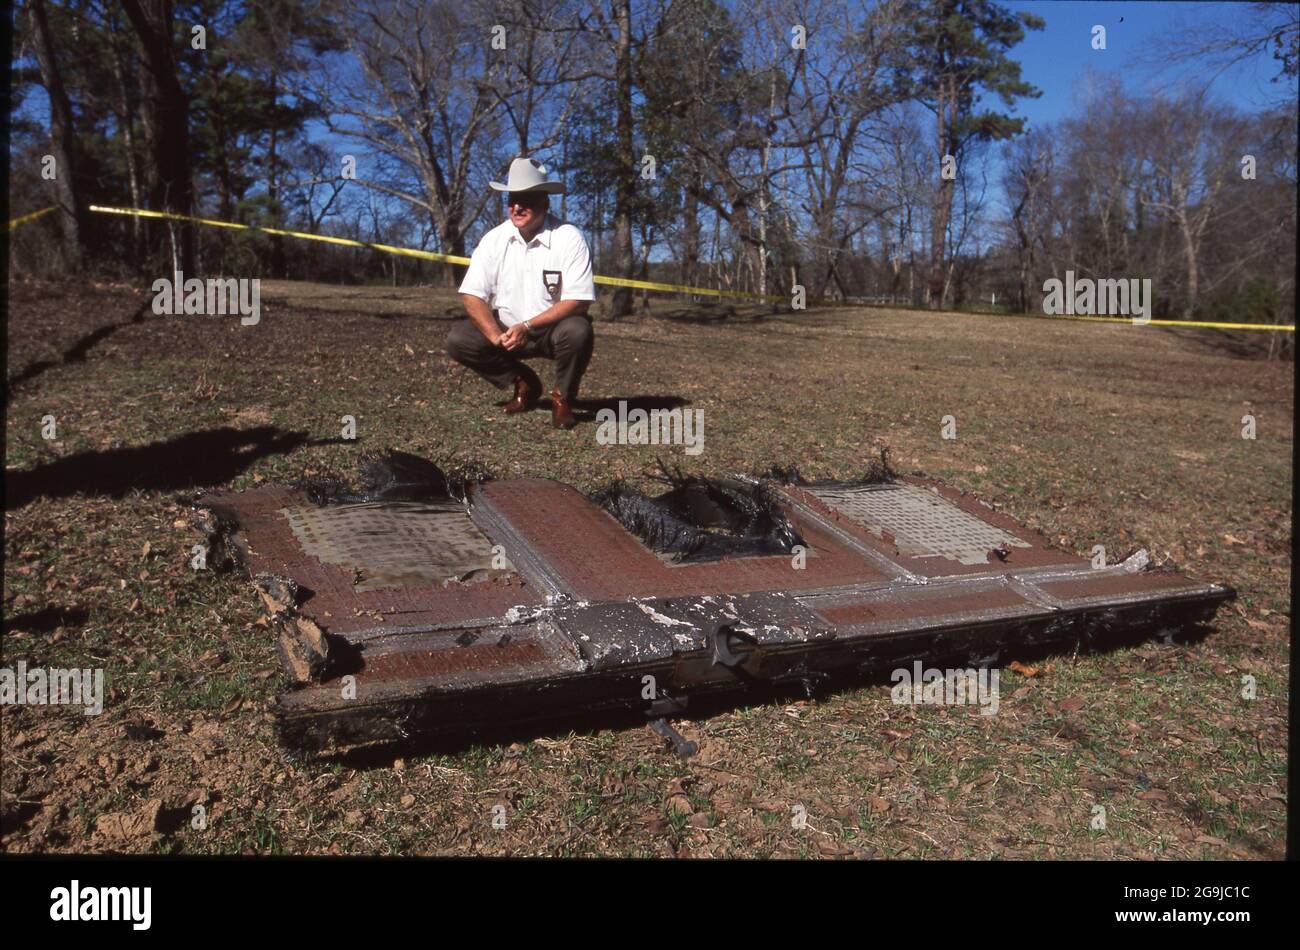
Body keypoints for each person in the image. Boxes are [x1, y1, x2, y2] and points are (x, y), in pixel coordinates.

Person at [447, 157, 596, 429]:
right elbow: (471, 294)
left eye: (525, 199)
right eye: (512, 199)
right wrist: (494, 335)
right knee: (459, 338)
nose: (516, 206)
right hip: (506, 328)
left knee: (578, 330)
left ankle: (562, 398)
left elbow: (579, 300)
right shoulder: (493, 239)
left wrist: (528, 326)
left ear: (545, 201)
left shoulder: (569, 236)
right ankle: (522, 383)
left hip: (552, 328)